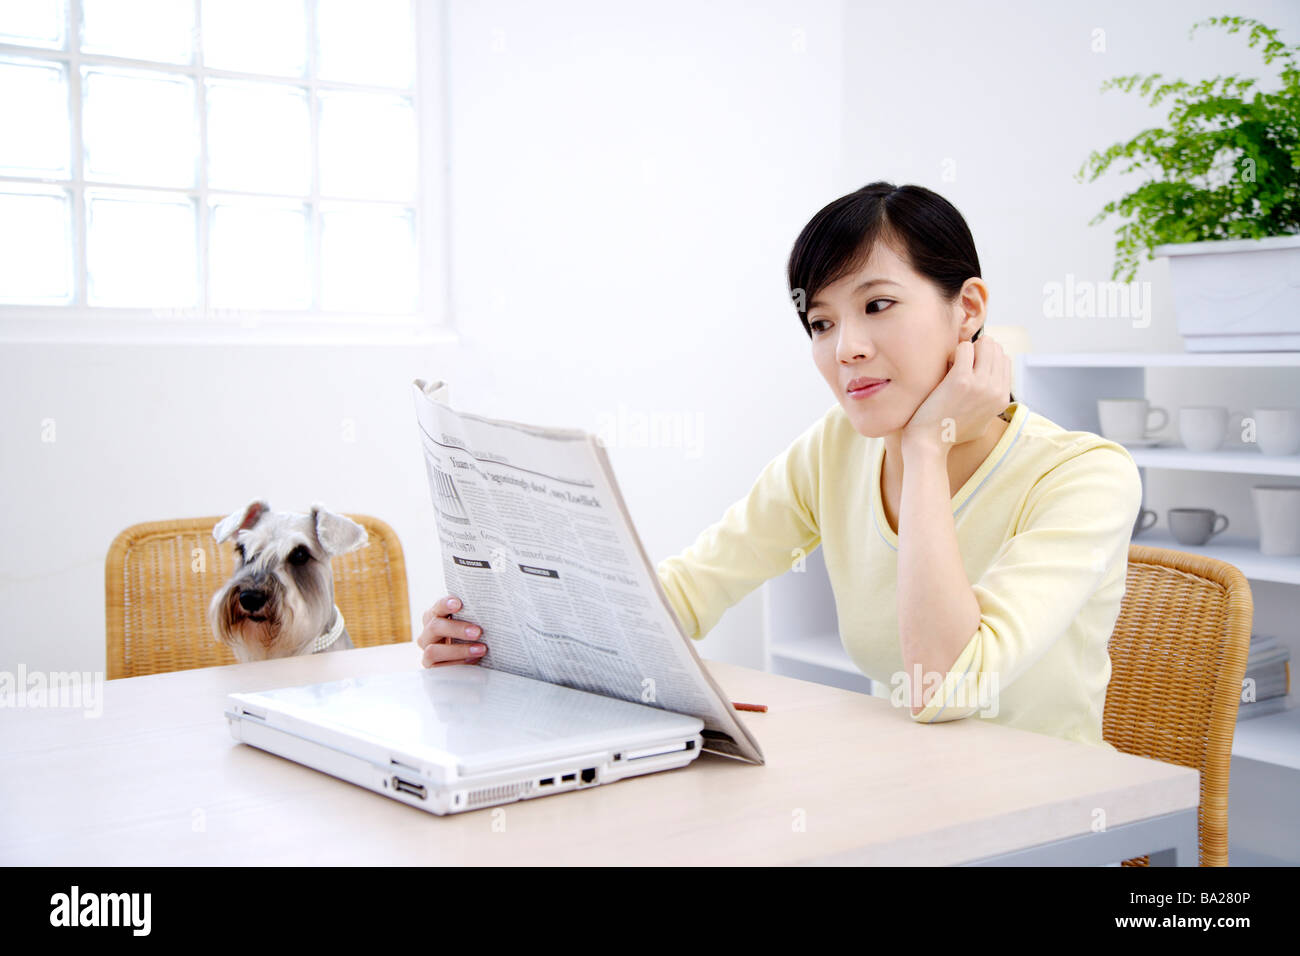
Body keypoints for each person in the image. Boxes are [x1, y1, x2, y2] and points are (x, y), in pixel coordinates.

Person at [417, 181, 1142, 750]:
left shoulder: (1085, 477)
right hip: (910, 795)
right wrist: (504, 637)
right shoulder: (834, 449)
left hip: (1053, 823)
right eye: (821, 323)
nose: (845, 348)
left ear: (969, 308)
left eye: (878, 304)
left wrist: (927, 447)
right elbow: (687, 595)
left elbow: (942, 688)